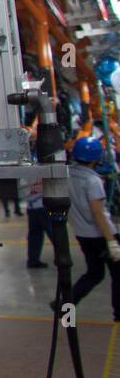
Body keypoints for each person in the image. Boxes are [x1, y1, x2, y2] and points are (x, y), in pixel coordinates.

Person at [66, 136, 120, 321]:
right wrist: (112, 242)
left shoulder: (67, 173)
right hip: (101, 234)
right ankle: (119, 313)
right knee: (118, 274)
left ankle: (64, 303)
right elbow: (98, 212)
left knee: (94, 273)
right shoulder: (92, 180)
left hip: (82, 234)